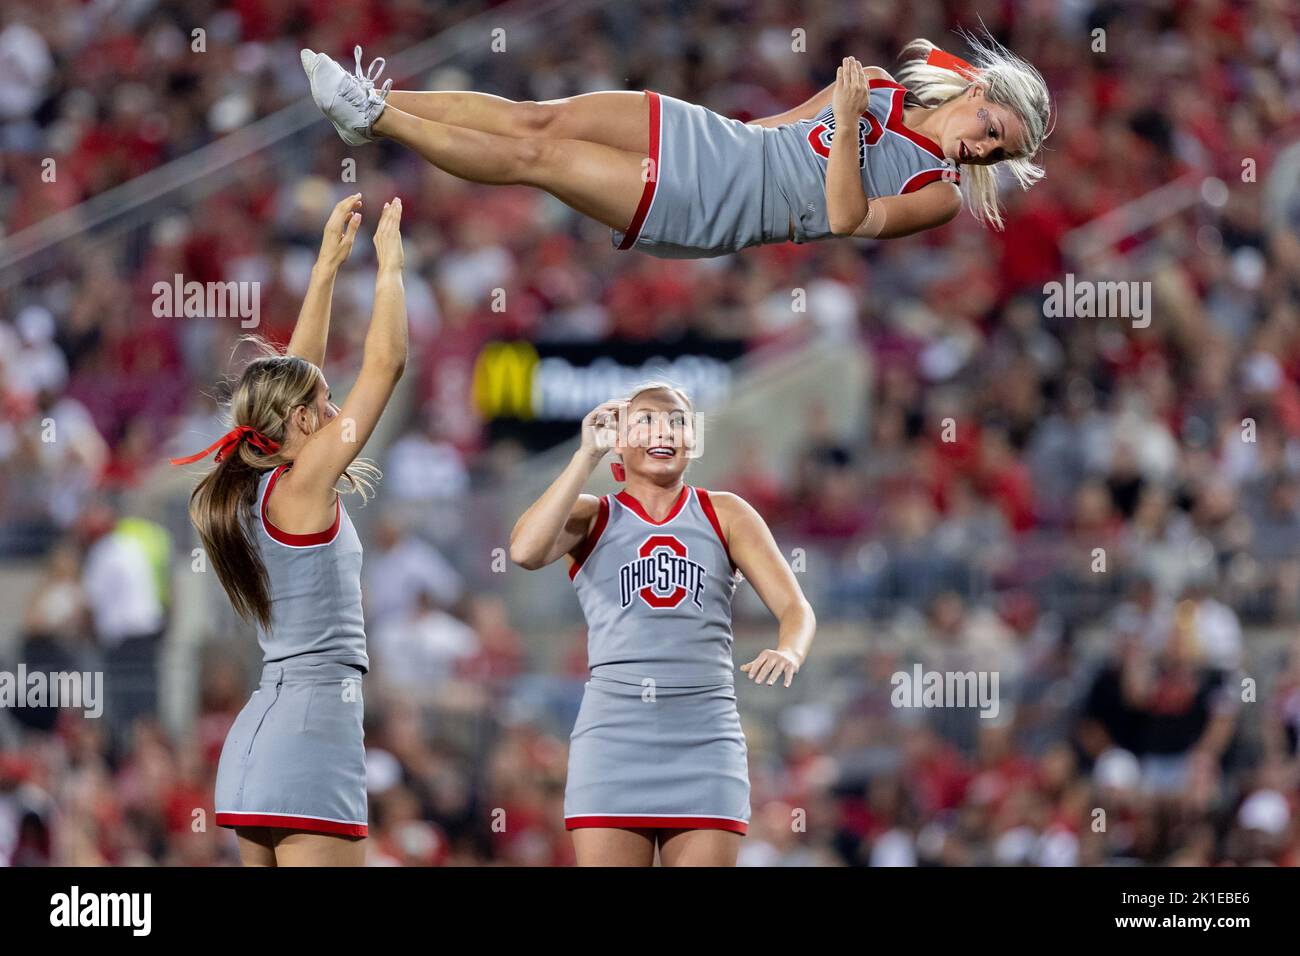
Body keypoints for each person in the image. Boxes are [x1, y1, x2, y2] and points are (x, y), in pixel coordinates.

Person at [300, 32, 1049, 258]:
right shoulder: (881, 85)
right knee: (538, 119)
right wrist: (852, 108)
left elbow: (848, 218)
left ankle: (373, 120)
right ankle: (378, 100)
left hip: (717, 206)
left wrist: (851, 123)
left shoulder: (940, 193)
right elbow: (774, 131)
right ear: (979, 94)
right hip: (717, 144)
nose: (984, 152)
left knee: (542, 161)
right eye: (993, 130)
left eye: (999, 154)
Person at [170, 194, 408, 866]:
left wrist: (327, 266)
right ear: (299, 426)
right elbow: (385, 367)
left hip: (260, 742)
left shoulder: (252, 482)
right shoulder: (300, 486)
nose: (333, 412)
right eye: (324, 407)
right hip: (312, 733)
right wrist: (389, 264)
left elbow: (290, 379)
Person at [509, 382, 816, 865]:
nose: (664, 431)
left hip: (705, 738)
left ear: (691, 442)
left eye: (677, 422)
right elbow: (524, 551)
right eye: (646, 421)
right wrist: (584, 455)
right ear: (620, 440)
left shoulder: (725, 512)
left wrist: (789, 650)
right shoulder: (593, 515)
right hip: (613, 740)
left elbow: (796, 608)